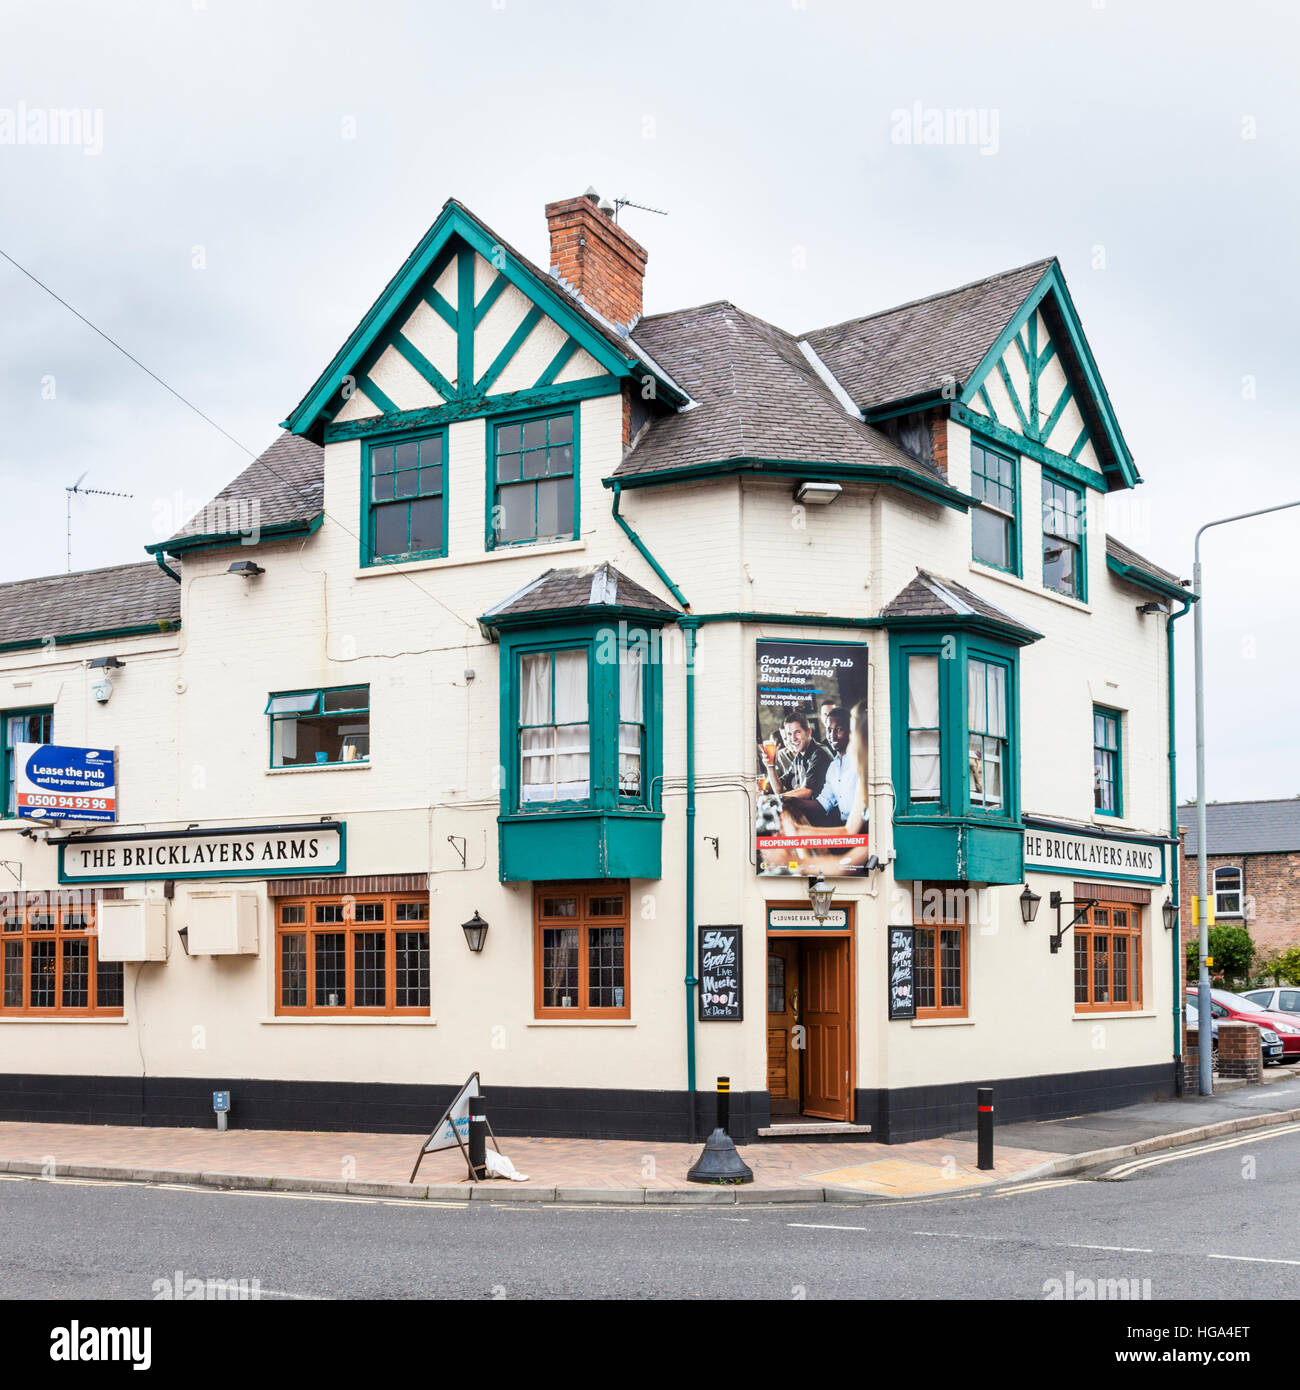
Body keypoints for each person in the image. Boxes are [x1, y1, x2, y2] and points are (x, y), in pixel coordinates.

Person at [758, 710, 830, 804]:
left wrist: (774, 799)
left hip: (821, 815)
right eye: (789, 734)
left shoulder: (819, 753)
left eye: (797, 732)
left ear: (808, 732)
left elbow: (806, 792)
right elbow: (779, 789)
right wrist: (770, 766)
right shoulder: (800, 756)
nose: (793, 738)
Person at [813, 706, 858, 826]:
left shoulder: (860, 762)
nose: (832, 736)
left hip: (863, 827)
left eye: (839, 729)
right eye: (829, 730)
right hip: (846, 826)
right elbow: (823, 803)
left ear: (850, 730)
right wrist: (790, 802)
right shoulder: (833, 767)